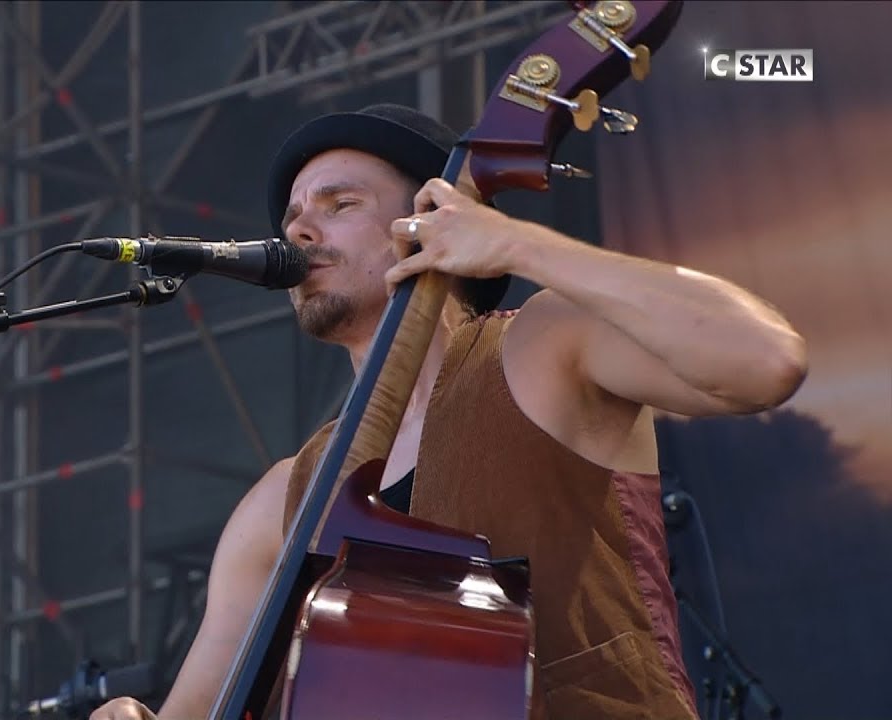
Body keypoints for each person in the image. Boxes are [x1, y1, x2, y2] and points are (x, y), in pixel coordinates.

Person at [90, 104, 807, 719]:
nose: (299, 233)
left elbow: (764, 361)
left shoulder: (542, 344)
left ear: (432, 222)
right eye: (294, 219)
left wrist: (522, 243)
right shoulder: (281, 499)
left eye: (340, 206)